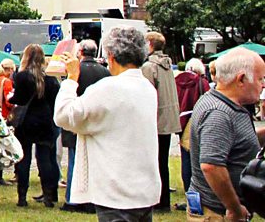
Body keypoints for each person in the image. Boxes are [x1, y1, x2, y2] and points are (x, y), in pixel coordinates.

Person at [52, 26, 158, 221]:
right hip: (144, 189)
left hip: (117, 193)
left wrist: (71, 79)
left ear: (110, 56)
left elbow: (63, 116)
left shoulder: (109, 88)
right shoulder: (147, 87)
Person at [186, 47, 265, 221]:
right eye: (260, 79)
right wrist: (234, 208)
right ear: (241, 79)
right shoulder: (219, 113)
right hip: (217, 213)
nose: (263, 84)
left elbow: (237, 142)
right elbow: (211, 165)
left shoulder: (219, 100)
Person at [55, 39, 110, 214]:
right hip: (97, 121)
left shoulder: (75, 71)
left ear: (80, 52)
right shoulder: (105, 72)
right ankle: (92, 197)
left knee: (74, 162)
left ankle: (73, 199)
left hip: (76, 119)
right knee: (94, 163)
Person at [10, 43, 60, 208]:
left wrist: (12, 99)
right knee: (45, 159)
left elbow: (18, 99)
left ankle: (22, 197)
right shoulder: (50, 80)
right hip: (45, 120)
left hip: (26, 121)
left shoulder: (21, 77)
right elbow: (54, 102)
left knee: (24, 159)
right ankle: (48, 196)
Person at [141, 31, 181, 212]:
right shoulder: (166, 64)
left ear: (150, 44)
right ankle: (163, 200)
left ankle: (157, 200)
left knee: (154, 163)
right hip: (167, 120)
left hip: (155, 121)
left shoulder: (149, 67)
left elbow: (146, 96)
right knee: (161, 162)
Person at [176, 57, 211, 201]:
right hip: (198, 120)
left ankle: (187, 190)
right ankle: (199, 191)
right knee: (199, 158)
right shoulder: (202, 82)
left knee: (185, 157)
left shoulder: (176, 81)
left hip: (182, 122)